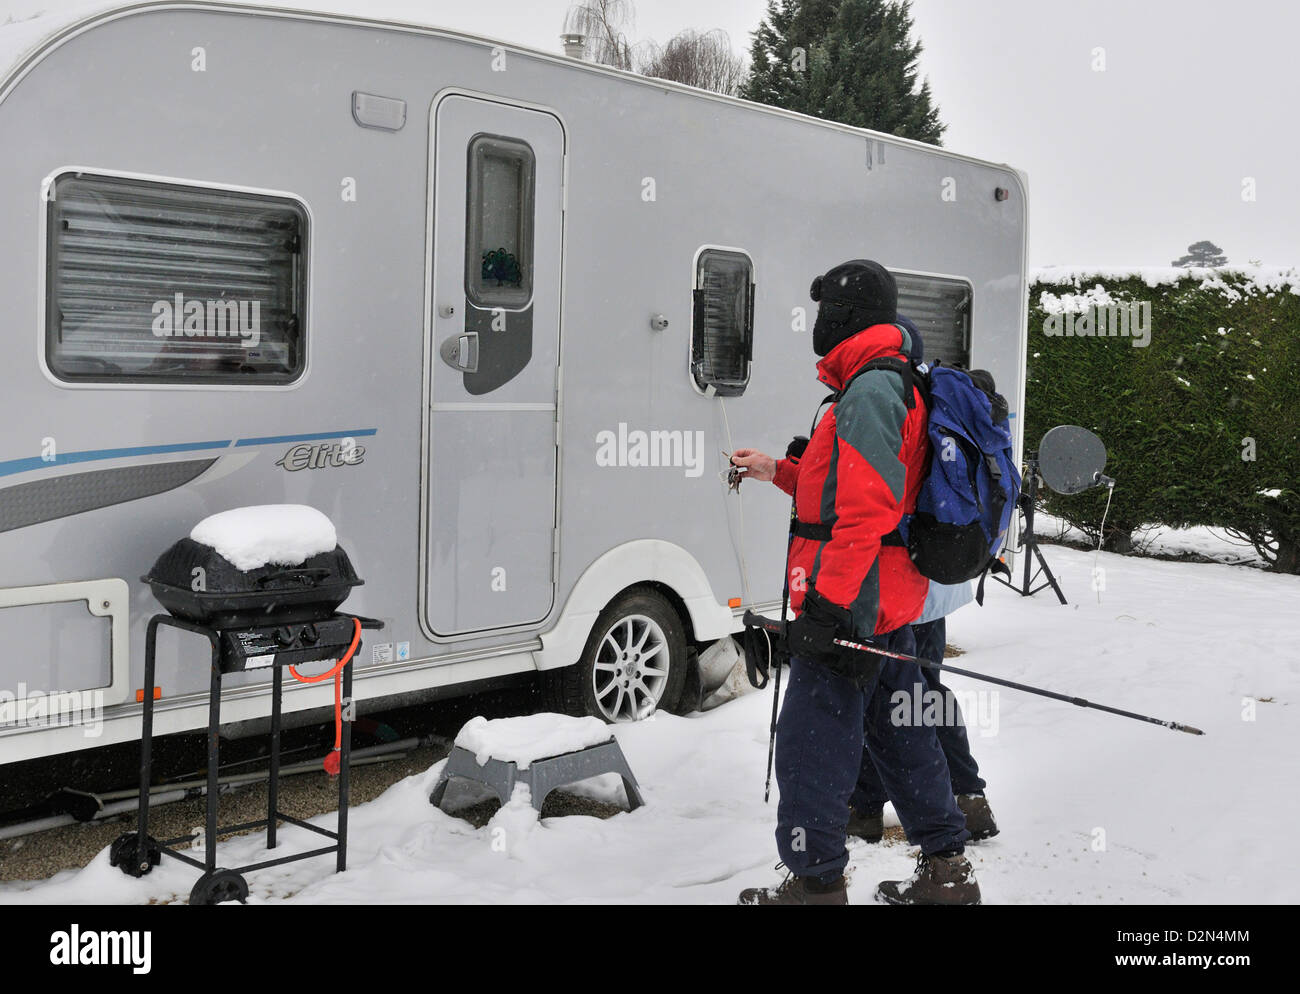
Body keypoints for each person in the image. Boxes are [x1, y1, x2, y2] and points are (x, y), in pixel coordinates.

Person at [732, 261, 980, 906]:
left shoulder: (870, 389)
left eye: (824, 311)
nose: (816, 323)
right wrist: (777, 471)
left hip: (853, 598)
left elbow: (867, 510)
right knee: (901, 727)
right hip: (886, 595)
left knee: (812, 739)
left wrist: (828, 604)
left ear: (846, 316)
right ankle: (947, 870)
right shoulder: (881, 380)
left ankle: (814, 885)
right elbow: (846, 489)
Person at [846, 315, 1000, 845]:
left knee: (900, 693)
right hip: (939, 576)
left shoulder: (903, 396)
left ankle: (885, 808)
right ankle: (963, 799)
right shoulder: (939, 395)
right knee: (910, 692)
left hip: (914, 580)